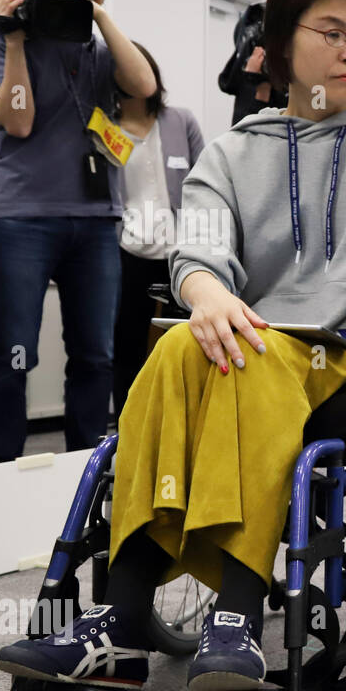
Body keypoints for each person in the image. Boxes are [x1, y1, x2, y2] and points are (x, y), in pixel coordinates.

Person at [0, 0, 346, 691]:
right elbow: (199, 252)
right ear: (283, 41)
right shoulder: (231, 152)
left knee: (243, 355)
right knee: (172, 352)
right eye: (333, 32)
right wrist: (206, 293)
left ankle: (239, 612)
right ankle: (122, 628)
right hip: (247, 342)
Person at [0, 0, 156, 464]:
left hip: (97, 221)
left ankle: (83, 470)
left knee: (95, 356)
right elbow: (19, 120)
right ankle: (2, 469)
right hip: (22, 218)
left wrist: (95, 11)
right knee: (12, 352)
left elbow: (143, 84)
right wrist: (12, 40)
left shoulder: (101, 49)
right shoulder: (1, 41)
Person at [113, 41, 205, 418]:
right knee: (127, 342)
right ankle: (127, 423)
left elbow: (205, 181)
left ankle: (183, 420)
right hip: (126, 248)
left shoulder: (180, 120)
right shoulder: (103, 126)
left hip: (178, 251)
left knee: (186, 340)